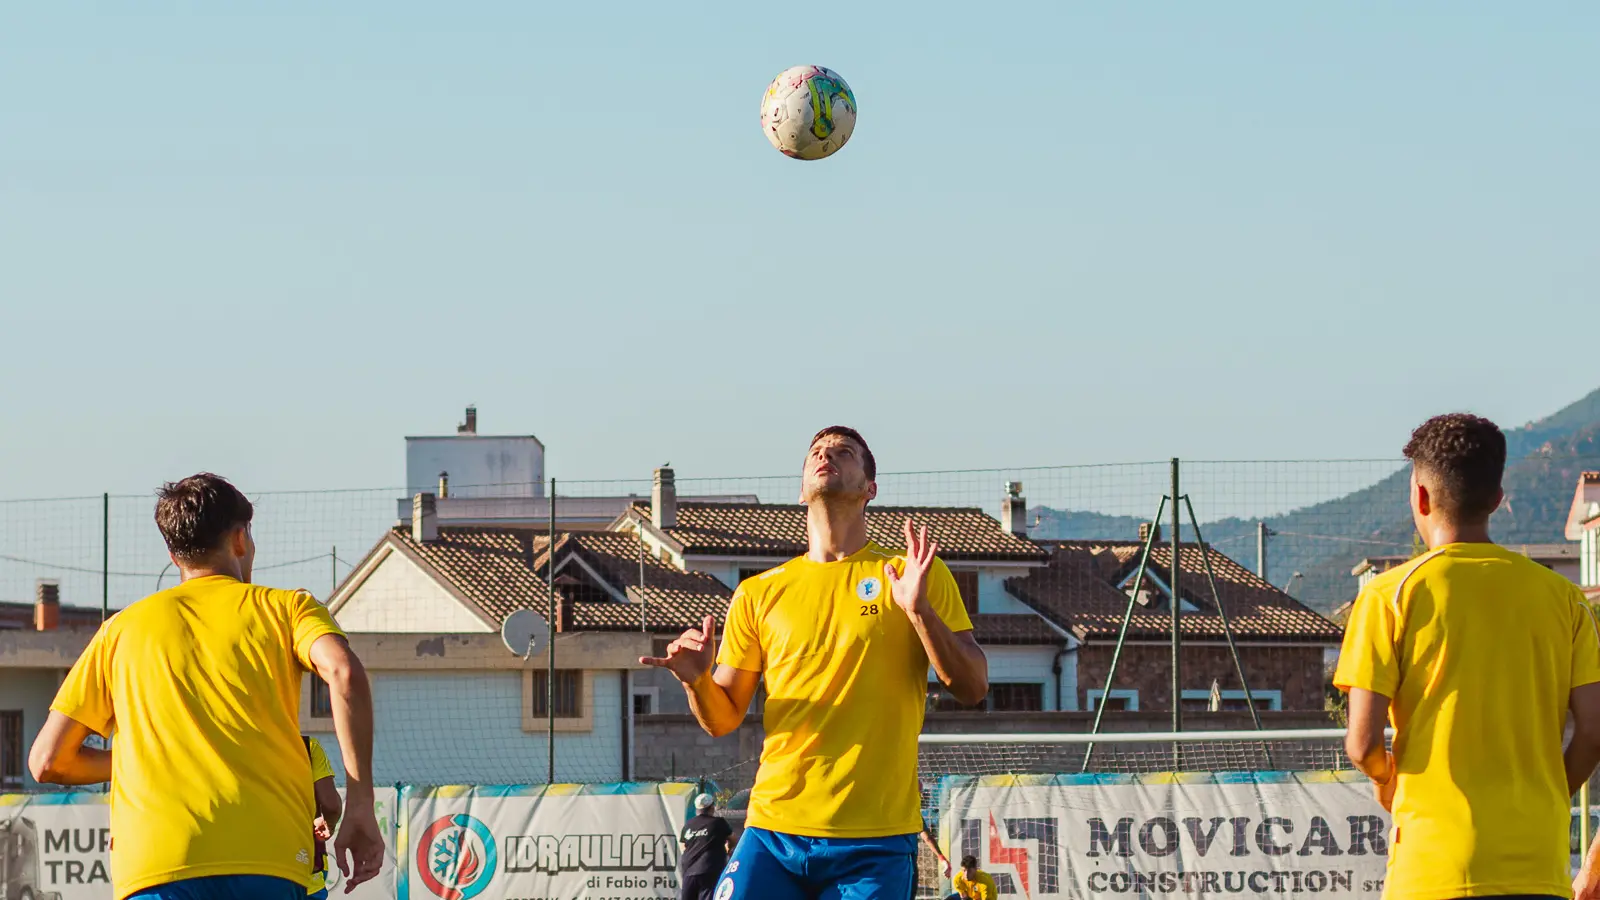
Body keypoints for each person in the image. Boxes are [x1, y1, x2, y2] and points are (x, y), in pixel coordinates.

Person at [642, 426, 988, 900]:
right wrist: (697, 680)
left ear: (870, 488)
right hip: (773, 830)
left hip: (876, 839)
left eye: (844, 452)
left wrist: (920, 612)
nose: (827, 455)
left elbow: (973, 687)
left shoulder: (912, 575)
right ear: (802, 488)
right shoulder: (759, 593)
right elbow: (722, 719)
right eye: (817, 452)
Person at [28, 473, 385, 900]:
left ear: (173, 552)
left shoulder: (119, 631)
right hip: (266, 858)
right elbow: (344, 673)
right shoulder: (286, 609)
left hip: (155, 864)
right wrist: (360, 801)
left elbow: (47, 761)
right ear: (240, 539)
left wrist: (144, 759)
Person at [1336, 415, 1600, 900]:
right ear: (1498, 499)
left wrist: (1385, 778)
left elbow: (1362, 743)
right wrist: (1546, 795)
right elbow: (1593, 730)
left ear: (1419, 496)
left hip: (1433, 868)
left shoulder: (1388, 596)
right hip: (1538, 863)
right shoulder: (1564, 598)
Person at [304, 735, 342, 900]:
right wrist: (329, 825)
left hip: (238, 872)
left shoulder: (225, 745)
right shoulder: (307, 746)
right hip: (304, 875)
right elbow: (331, 805)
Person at [678, 793, 733, 900]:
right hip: (710, 869)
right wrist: (729, 849)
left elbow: (683, 846)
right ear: (712, 807)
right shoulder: (718, 823)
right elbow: (733, 839)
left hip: (689, 870)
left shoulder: (689, 824)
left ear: (697, 809)